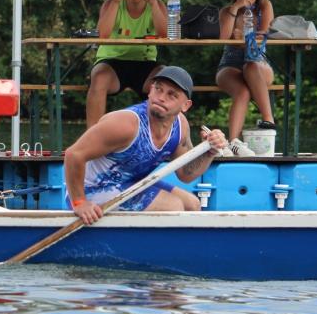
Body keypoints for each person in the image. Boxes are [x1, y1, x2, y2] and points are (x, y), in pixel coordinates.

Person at [64, 66, 228, 224]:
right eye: (158, 89)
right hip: (91, 191)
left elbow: (186, 174)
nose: (161, 97)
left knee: (193, 204)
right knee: (172, 207)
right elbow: (74, 154)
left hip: (131, 183)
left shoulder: (181, 126)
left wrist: (209, 151)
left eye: (172, 95)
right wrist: (79, 202)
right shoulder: (125, 124)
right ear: (150, 90)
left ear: (185, 105)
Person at [85, 0, 168, 127]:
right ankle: (91, 138)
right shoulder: (111, 4)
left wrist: (153, 4)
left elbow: (165, 34)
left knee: (166, 78)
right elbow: (102, 35)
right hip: (112, 63)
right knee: (99, 78)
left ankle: (159, 138)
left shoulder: (156, 6)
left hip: (145, 63)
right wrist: (116, 1)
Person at [215, 0, 276, 157]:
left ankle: (268, 119)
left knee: (250, 66)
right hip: (230, 62)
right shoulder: (228, 10)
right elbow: (222, 39)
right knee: (242, 92)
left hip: (258, 61)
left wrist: (244, 36)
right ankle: (233, 142)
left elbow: (265, 32)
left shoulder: (265, 6)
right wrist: (236, 8)